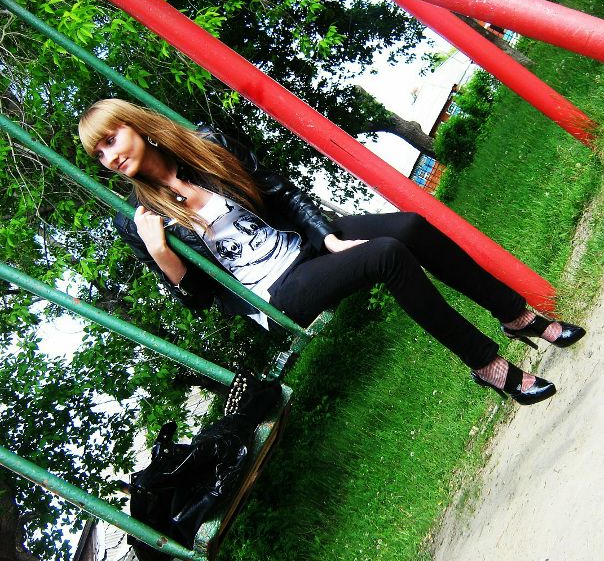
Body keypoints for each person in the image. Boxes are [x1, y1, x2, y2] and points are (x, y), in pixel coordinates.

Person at [78, 98, 586, 406]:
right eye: (98, 153)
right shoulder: (137, 220)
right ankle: (487, 365)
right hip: (274, 291)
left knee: (410, 226)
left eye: (111, 140)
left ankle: (514, 315)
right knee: (388, 254)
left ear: (136, 125)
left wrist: (329, 238)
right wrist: (160, 252)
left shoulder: (207, 143)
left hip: (301, 243)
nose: (109, 156)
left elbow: (282, 193)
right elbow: (201, 300)